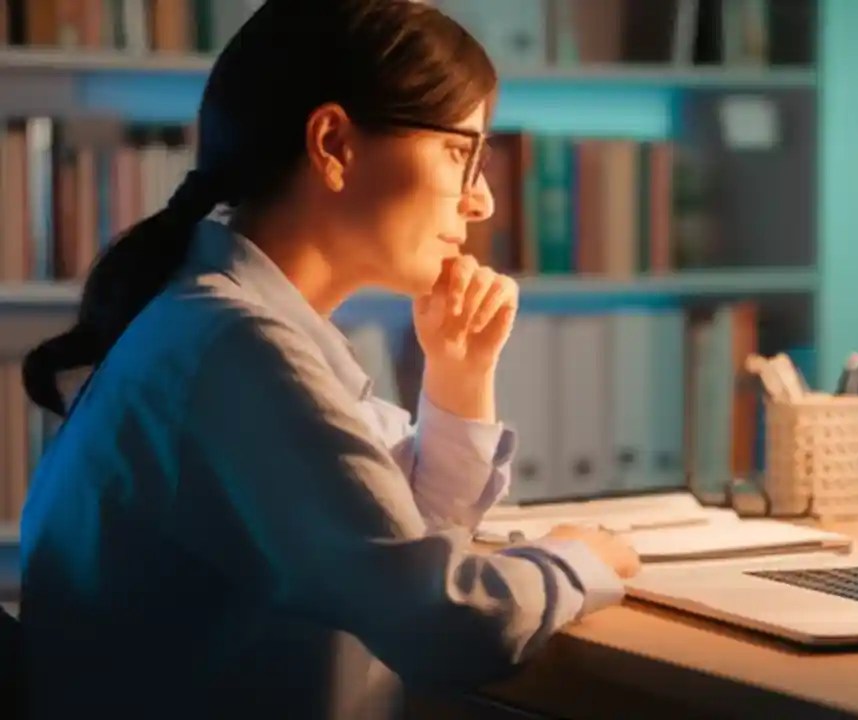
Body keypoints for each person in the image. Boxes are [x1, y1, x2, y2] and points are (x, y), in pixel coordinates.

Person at [14, 1, 639, 717]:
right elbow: (444, 625)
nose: (484, 202)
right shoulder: (235, 346)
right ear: (335, 144)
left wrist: (459, 378)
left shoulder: (237, 326)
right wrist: (582, 554)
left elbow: (400, 544)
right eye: (461, 153)